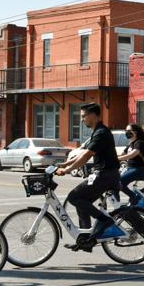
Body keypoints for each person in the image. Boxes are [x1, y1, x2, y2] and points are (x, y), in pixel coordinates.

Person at [56, 103, 121, 252]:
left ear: (93, 115)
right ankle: (85, 239)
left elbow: (87, 155)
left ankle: (105, 221)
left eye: (83, 116)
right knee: (81, 202)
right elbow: (84, 151)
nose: (82, 119)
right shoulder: (97, 131)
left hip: (106, 174)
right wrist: (66, 163)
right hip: (103, 174)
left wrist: (68, 169)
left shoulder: (101, 133)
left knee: (74, 197)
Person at [116, 124, 144, 207]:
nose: (126, 133)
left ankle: (134, 198)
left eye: (128, 131)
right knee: (115, 182)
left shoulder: (139, 143)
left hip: (138, 170)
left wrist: (118, 159)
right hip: (129, 168)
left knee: (119, 183)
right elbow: (122, 154)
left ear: (135, 132)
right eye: (126, 131)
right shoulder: (131, 143)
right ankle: (120, 205)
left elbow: (132, 154)